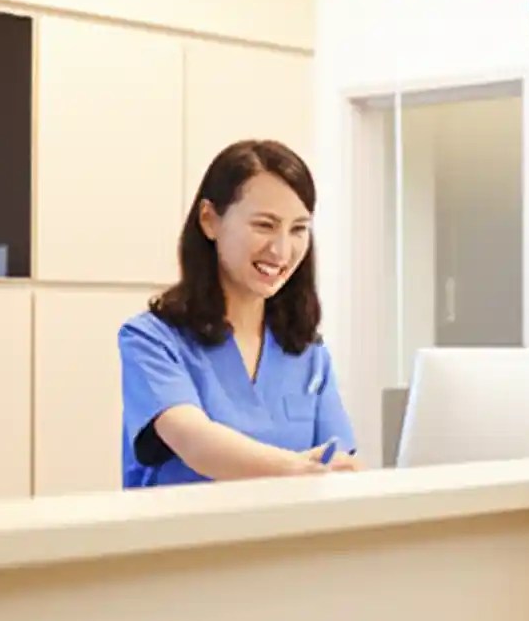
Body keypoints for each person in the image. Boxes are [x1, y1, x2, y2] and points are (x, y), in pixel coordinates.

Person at [118, 139, 358, 488]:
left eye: (298, 229)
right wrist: (298, 470)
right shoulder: (151, 340)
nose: (281, 250)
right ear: (209, 220)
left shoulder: (308, 353)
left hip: (292, 541)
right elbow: (195, 442)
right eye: (264, 225)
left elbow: (341, 462)